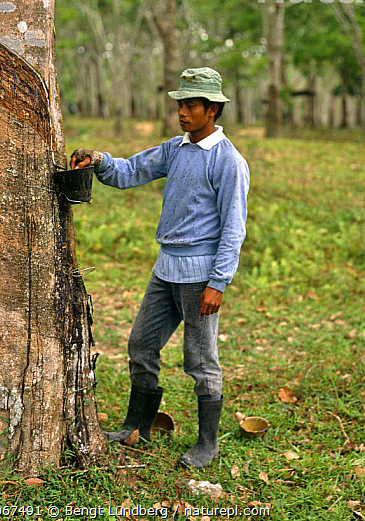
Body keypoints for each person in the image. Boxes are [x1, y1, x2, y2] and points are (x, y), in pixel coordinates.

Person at [70, 67, 250, 469]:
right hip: (165, 269)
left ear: (213, 110)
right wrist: (98, 160)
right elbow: (130, 171)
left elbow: (233, 230)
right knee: (141, 345)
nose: (182, 112)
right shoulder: (177, 148)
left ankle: (207, 444)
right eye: (180, 104)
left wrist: (218, 282)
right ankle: (138, 426)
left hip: (200, 276)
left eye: (191, 105)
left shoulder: (228, 162)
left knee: (200, 360)